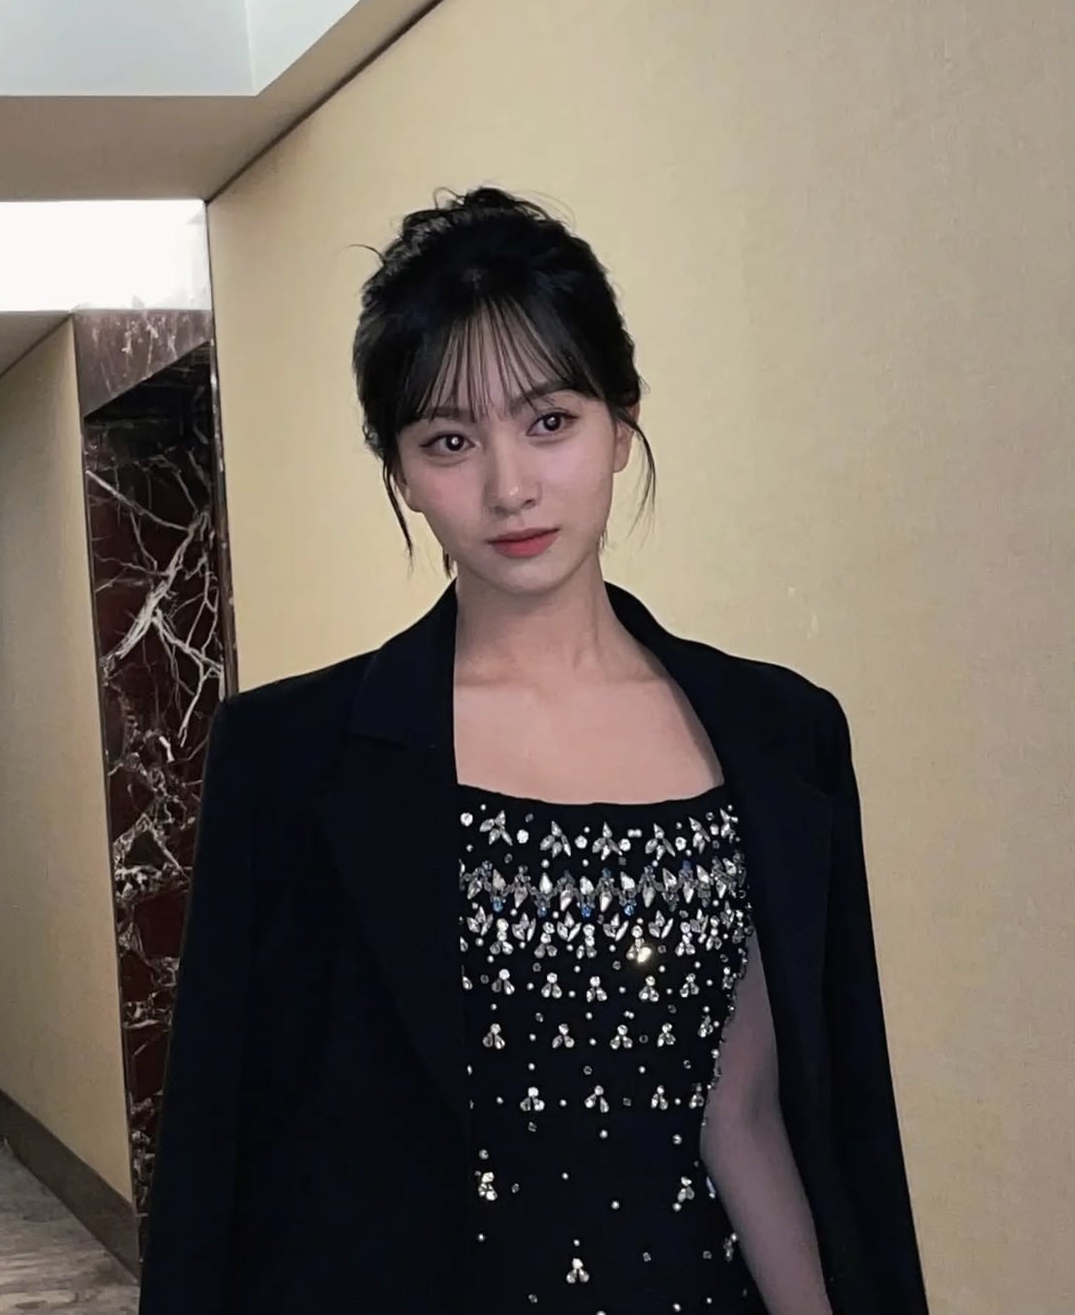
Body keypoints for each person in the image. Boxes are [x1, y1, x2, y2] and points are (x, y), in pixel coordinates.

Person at [138, 186, 928, 1315]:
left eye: (549, 420)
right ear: (400, 469)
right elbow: (217, 1159)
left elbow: (777, 1123)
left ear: (622, 420)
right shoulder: (290, 759)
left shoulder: (782, 734)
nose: (509, 486)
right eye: (449, 441)